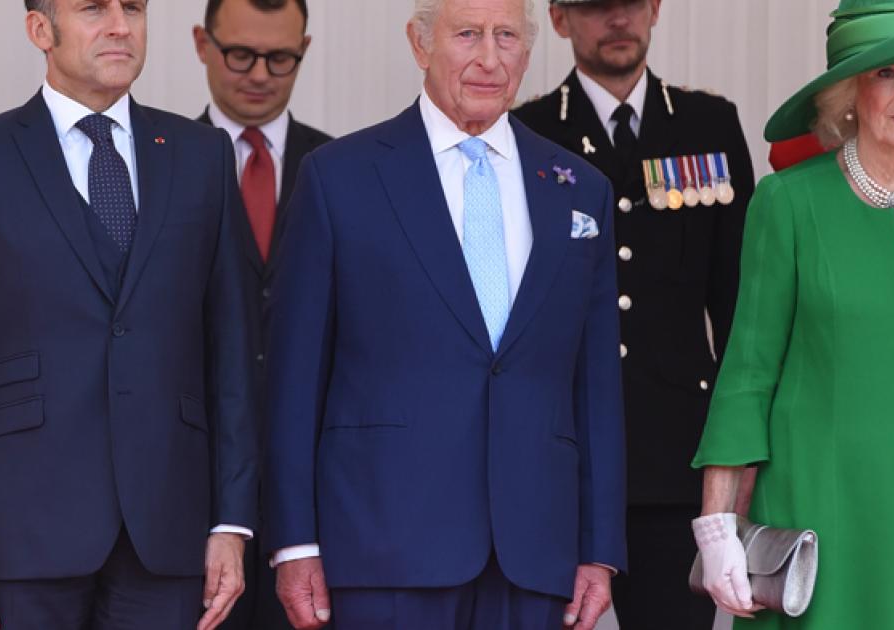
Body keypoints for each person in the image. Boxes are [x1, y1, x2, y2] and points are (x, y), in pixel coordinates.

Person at [264, 0, 627, 628]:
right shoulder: (337, 178)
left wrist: (599, 549)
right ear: (419, 44)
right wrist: (295, 542)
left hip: (534, 552)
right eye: (467, 35)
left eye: (507, 36)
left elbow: (595, 388)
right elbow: (294, 379)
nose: (490, 58)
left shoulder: (580, 187)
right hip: (382, 545)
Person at [0, 1, 257, 629]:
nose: (121, 25)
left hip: (169, 525)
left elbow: (231, 351)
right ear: (41, 29)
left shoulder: (203, 156)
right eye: (94, 7)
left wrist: (231, 519)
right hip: (18, 525)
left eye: (135, 8)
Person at [691, 1, 894, 628]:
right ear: (847, 92)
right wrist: (719, 522)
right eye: (886, 74)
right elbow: (749, 371)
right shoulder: (788, 202)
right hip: (826, 506)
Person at [510, 1, 754, 627]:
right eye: (594, 5)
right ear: (561, 18)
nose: (615, 19)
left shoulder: (708, 124)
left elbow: (739, 310)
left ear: (654, 9)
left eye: (629, 3)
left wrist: (745, 452)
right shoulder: (525, 134)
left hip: (676, 458)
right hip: (558, 455)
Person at [191, 1, 331, 628]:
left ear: (303, 47)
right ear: (202, 43)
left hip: (314, 489)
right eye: (239, 54)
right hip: (192, 482)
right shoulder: (160, 165)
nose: (259, 74)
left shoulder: (342, 170)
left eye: (280, 58)